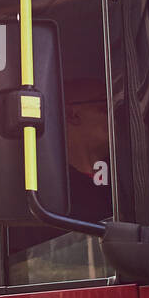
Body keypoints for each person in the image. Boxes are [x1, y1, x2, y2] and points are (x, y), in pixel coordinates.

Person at [63, 77, 113, 223]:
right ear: (72, 115)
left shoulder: (131, 173)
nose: (115, 110)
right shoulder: (53, 197)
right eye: (105, 104)